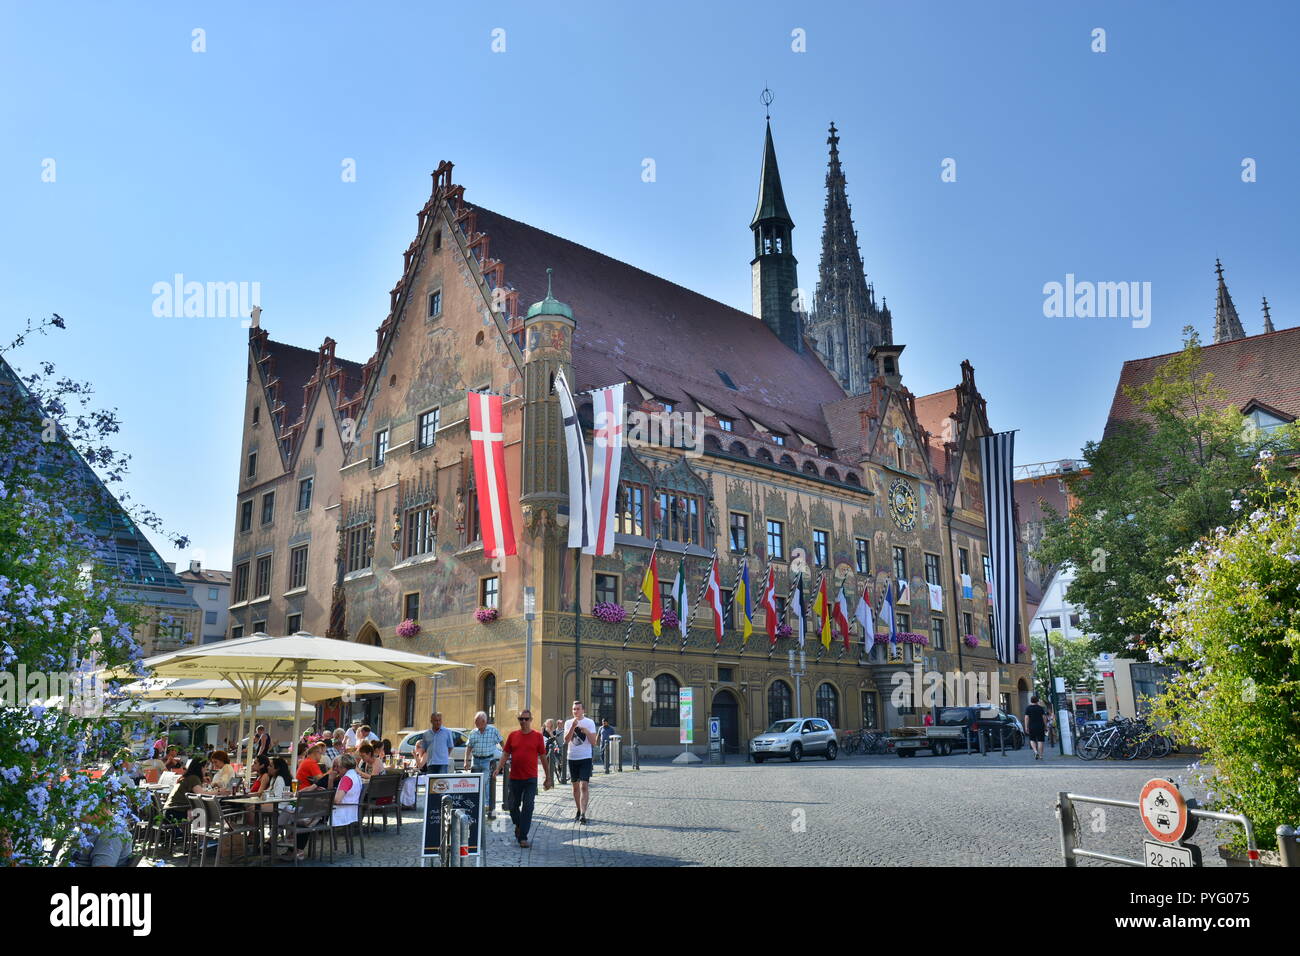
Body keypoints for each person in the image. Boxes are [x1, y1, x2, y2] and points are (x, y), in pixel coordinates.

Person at [500, 709, 552, 848]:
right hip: (515, 777)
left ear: (531, 720)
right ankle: (518, 825)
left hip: (530, 778)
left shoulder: (537, 736)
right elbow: (505, 753)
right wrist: (497, 768)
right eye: (520, 719)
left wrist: (548, 777)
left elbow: (543, 757)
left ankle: (523, 837)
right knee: (512, 806)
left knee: (528, 806)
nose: (523, 721)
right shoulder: (513, 735)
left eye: (526, 719)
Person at [463, 710, 504, 818]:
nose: (475, 724)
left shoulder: (493, 730)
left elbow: (501, 741)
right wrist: (466, 761)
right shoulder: (473, 732)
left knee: (485, 781)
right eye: (475, 721)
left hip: (487, 761)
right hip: (475, 760)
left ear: (484, 721)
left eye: (477, 721)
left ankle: (486, 804)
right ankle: (476, 804)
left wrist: (505, 754)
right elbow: (469, 747)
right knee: (475, 783)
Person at [563, 700, 597, 824]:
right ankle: (578, 809)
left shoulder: (589, 722)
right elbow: (566, 741)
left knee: (584, 785)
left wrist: (586, 731)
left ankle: (583, 813)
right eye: (574, 709)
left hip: (585, 758)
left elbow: (594, 742)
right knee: (575, 787)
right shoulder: (568, 723)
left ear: (583, 710)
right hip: (572, 758)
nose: (575, 711)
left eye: (578, 709)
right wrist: (572, 727)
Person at [1025, 696, 1047, 760]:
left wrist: (1026, 727)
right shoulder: (1040, 708)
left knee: (1032, 740)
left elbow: (1026, 718)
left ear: (1031, 701)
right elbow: (1044, 717)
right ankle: (1041, 756)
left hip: (1031, 726)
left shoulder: (1028, 708)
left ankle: (1035, 751)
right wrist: (1045, 725)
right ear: (1037, 701)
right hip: (1040, 726)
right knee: (1040, 741)